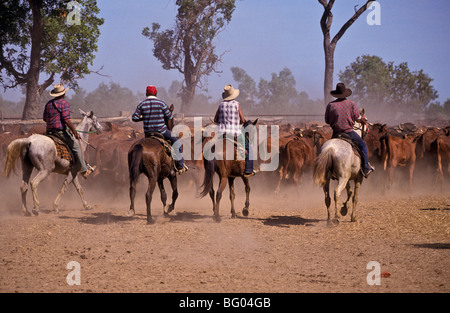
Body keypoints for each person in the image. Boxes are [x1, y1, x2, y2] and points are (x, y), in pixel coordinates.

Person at [132, 85, 187, 174]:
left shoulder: (142, 104)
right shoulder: (161, 104)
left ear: (146, 93)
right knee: (177, 143)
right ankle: (180, 166)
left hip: (148, 132)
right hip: (162, 131)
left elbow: (134, 117)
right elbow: (169, 116)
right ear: (156, 93)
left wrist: (144, 117)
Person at [43, 83, 95, 179]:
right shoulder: (64, 103)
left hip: (49, 132)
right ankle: (84, 170)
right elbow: (66, 120)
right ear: (63, 94)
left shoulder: (48, 104)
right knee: (76, 147)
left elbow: (44, 119)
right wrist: (75, 132)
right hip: (59, 132)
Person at [325, 82, 374, 178]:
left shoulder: (330, 105)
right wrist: (362, 120)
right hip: (349, 133)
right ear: (345, 94)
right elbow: (357, 118)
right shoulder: (351, 104)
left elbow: (327, 121)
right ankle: (365, 168)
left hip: (336, 133)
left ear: (336, 94)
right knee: (363, 145)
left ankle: (328, 171)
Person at [214, 84, 256, 177]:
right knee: (249, 149)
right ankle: (248, 170)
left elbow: (215, 119)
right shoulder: (237, 104)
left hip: (222, 134)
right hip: (234, 134)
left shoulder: (221, 105)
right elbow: (242, 119)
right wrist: (240, 121)